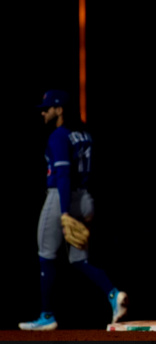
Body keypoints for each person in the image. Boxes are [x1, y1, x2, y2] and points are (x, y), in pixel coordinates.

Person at [19, 90, 129, 331]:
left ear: (59, 110)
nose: (43, 112)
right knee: (79, 260)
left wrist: (65, 211)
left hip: (62, 197)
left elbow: (64, 174)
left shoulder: (59, 135)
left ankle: (47, 315)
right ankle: (114, 295)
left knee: (46, 255)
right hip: (86, 197)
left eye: (47, 108)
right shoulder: (85, 134)